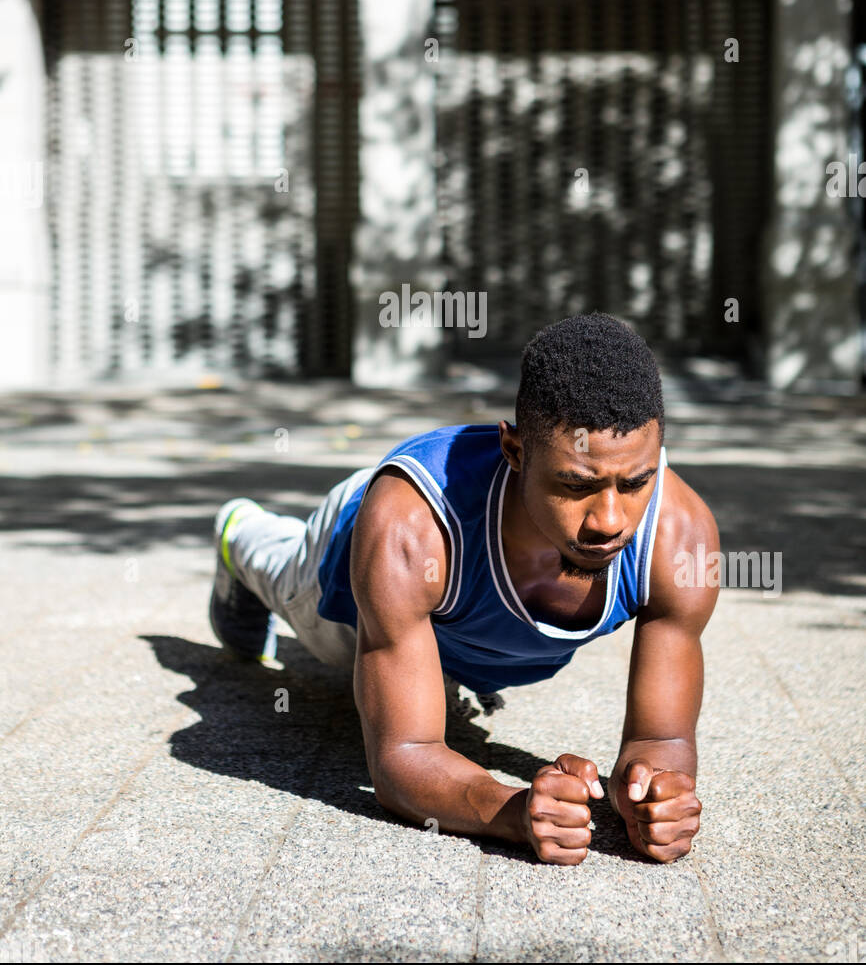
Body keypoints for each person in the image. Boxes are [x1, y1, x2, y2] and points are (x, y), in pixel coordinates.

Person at [209, 312, 720, 866]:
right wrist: (515, 811)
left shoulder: (680, 536)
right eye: (576, 485)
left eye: (636, 481)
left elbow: (661, 739)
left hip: (458, 624)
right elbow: (404, 755)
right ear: (516, 451)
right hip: (351, 565)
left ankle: (443, 668)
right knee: (284, 574)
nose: (609, 520)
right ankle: (240, 537)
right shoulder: (411, 529)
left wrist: (652, 794)